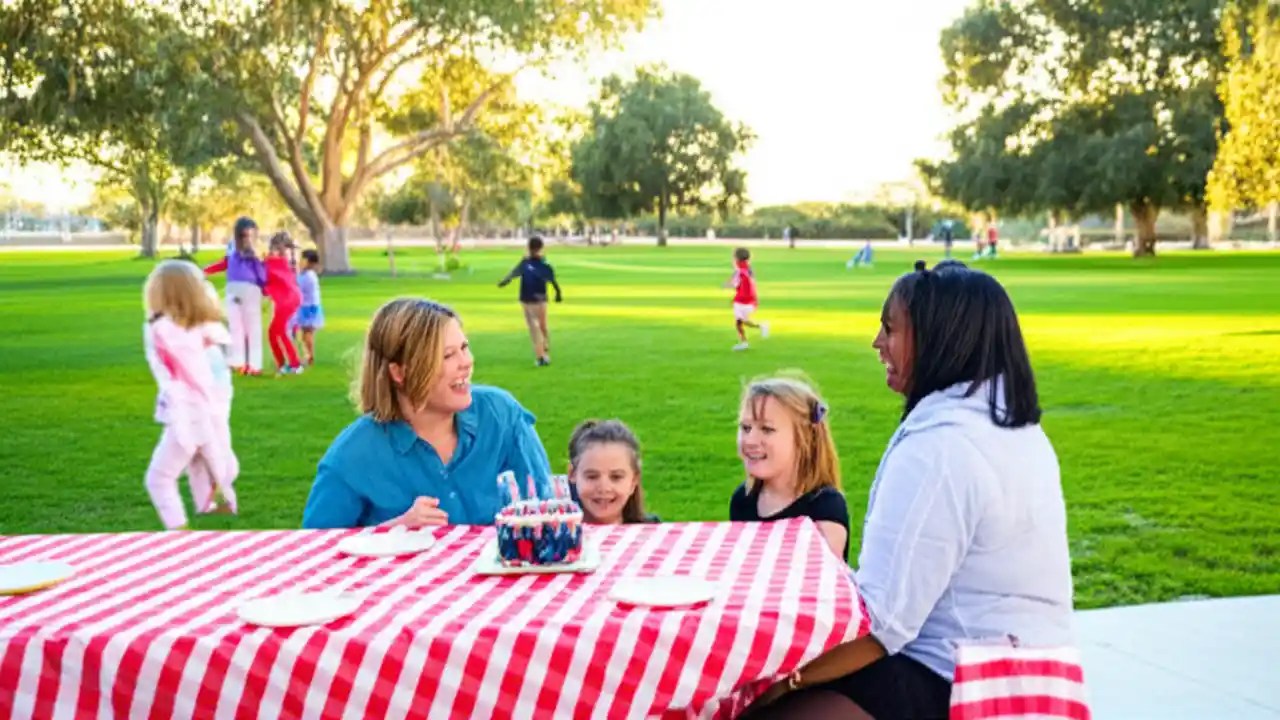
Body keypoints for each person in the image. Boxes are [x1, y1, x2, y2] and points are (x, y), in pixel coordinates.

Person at [750, 260, 1075, 720]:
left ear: (941, 339)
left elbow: (884, 624)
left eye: (890, 329)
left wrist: (784, 681)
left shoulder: (941, 447)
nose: (877, 342)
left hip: (964, 681)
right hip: (1033, 671)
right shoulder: (1011, 426)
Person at [302, 298, 554, 528]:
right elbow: (314, 551)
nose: (466, 362)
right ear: (400, 373)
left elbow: (548, 512)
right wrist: (394, 529)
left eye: (464, 347)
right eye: (447, 355)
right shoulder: (353, 455)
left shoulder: (501, 415)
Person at [141, 260, 239, 530]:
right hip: (205, 415)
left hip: (190, 416)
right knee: (204, 469)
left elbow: (187, 380)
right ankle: (211, 517)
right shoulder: (204, 331)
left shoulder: (166, 332)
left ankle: (181, 534)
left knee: (159, 478)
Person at [729, 376, 849, 559]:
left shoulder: (824, 507)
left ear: (804, 439)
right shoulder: (743, 500)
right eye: (745, 428)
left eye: (767, 429)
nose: (750, 441)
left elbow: (822, 575)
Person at [566, 419, 659, 525]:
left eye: (616, 477)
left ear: (633, 481)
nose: (604, 488)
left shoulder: (652, 532)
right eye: (592, 476)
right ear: (573, 474)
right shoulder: (553, 536)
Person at [203, 217, 265, 375]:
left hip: (247, 288)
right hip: (238, 287)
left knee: (248, 327)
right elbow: (225, 263)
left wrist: (264, 285)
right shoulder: (233, 247)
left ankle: (252, 364)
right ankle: (241, 361)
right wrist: (206, 270)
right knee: (239, 327)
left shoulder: (254, 250)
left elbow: (261, 271)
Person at [498, 235, 562, 367]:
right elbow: (553, 280)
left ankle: (542, 355)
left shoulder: (529, 263)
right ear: (541, 247)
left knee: (537, 328)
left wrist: (505, 281)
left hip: (528, 298)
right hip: (539, 299)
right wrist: (558, 293)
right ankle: (542, 355)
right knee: (541, 327)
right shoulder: (540, 263)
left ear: (529, 247)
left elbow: (513, 273)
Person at [263, 232, 303, 375]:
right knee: (274, 332)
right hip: (291, 299)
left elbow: (265, 280)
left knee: (279, 331)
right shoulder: (286, 261)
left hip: (286, 301)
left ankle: (294, 364)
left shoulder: (272, 263)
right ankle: (282, 364)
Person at [724, 247, 770, 351]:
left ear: (736, 259)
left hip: (741, 300)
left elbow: (734, 283)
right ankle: (761, 327)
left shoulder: (739, 271)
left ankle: (745, 341)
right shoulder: (748, 269)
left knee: (739, 322)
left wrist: (726, 284)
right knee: (741, 321)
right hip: (750, 300)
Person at [291, 248, 325, 366]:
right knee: (304, 333)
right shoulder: (305, 274)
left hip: (309, 307)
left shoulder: (308, 276)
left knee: (307, 332)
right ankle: (307, 354)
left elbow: (298, 287)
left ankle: (309, 355)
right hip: (305, 306)